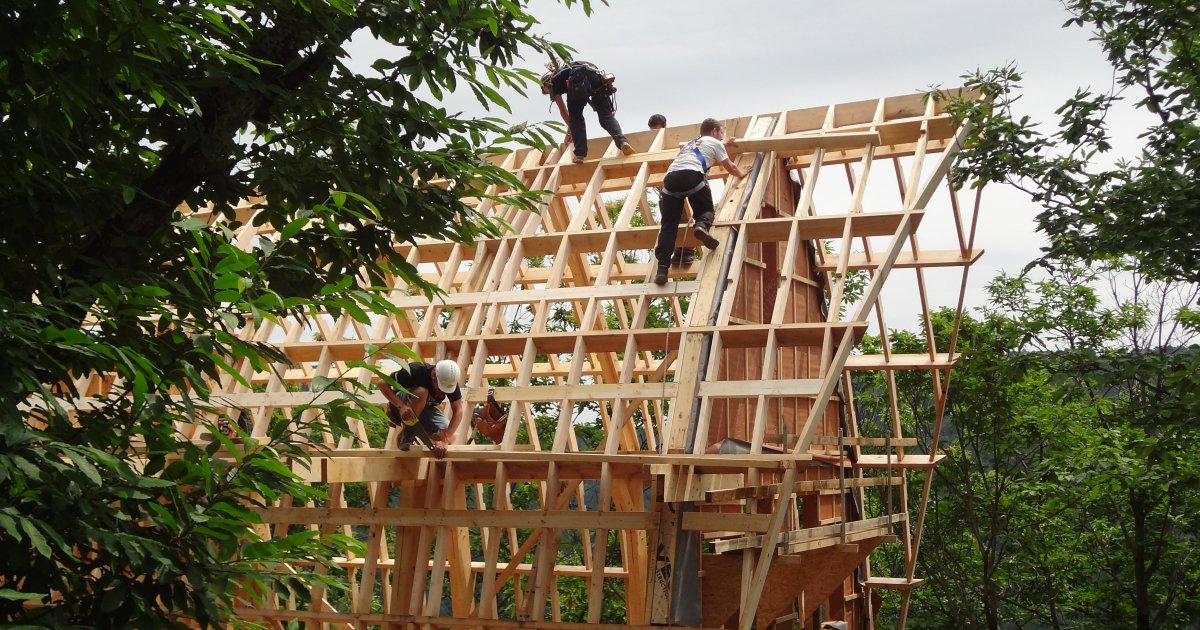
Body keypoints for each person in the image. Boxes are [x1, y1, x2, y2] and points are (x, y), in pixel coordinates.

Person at [653, 118, 749, 286]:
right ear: (714, 131)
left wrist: (724, 142)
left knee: (668, 227)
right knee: (705, 211)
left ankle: (662, 269)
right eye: (721, 133)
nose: (722, 137)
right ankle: (701, 226)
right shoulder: (715, 143)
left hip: (670, 182)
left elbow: (709, 148)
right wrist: (742, 173)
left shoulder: (691, 144)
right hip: (692, 177)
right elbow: (730, 167)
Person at [541, 60, 635, 163]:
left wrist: (571, 131)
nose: (550, 94)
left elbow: (563, 111)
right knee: (606, 116)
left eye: (547, 92)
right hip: (595, 76)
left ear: (545, 84)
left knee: (576, 118)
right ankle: (622, 142)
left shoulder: (552, 83)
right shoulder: (566, 69)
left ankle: (580, 154)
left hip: (577, 79)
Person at [379, 359, 465, 459]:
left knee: (451, 436)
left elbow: (458, 410)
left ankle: (411, 432)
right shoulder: (416, 370)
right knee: (422, 392)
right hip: (400, 406)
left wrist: (444, 439)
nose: (442, 392)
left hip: (423, 409)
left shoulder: (450, 382)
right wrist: (401, 406)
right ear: (434, 375)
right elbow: (382, 383)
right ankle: (407, 433)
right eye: (440, 387)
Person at [647, 114, 696, 267]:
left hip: (679, 187)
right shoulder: (653, 146)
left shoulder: (671, 143)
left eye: (657, 129)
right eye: (652, 130)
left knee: (683, 216)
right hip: (665, 190)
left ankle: (687, 251)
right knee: (668, 220)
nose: (655, 133)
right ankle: (678, 250)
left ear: (664, 126)